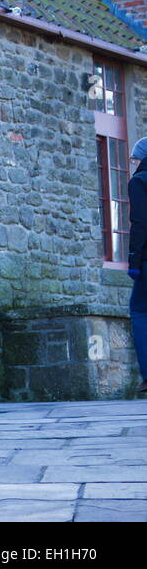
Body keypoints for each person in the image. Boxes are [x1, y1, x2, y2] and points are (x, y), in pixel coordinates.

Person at [125, 137, 147, 395]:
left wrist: (134, 262)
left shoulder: (140, 181)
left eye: (134, 159)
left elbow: (140, 223)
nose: (133, 164)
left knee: (141, 312)